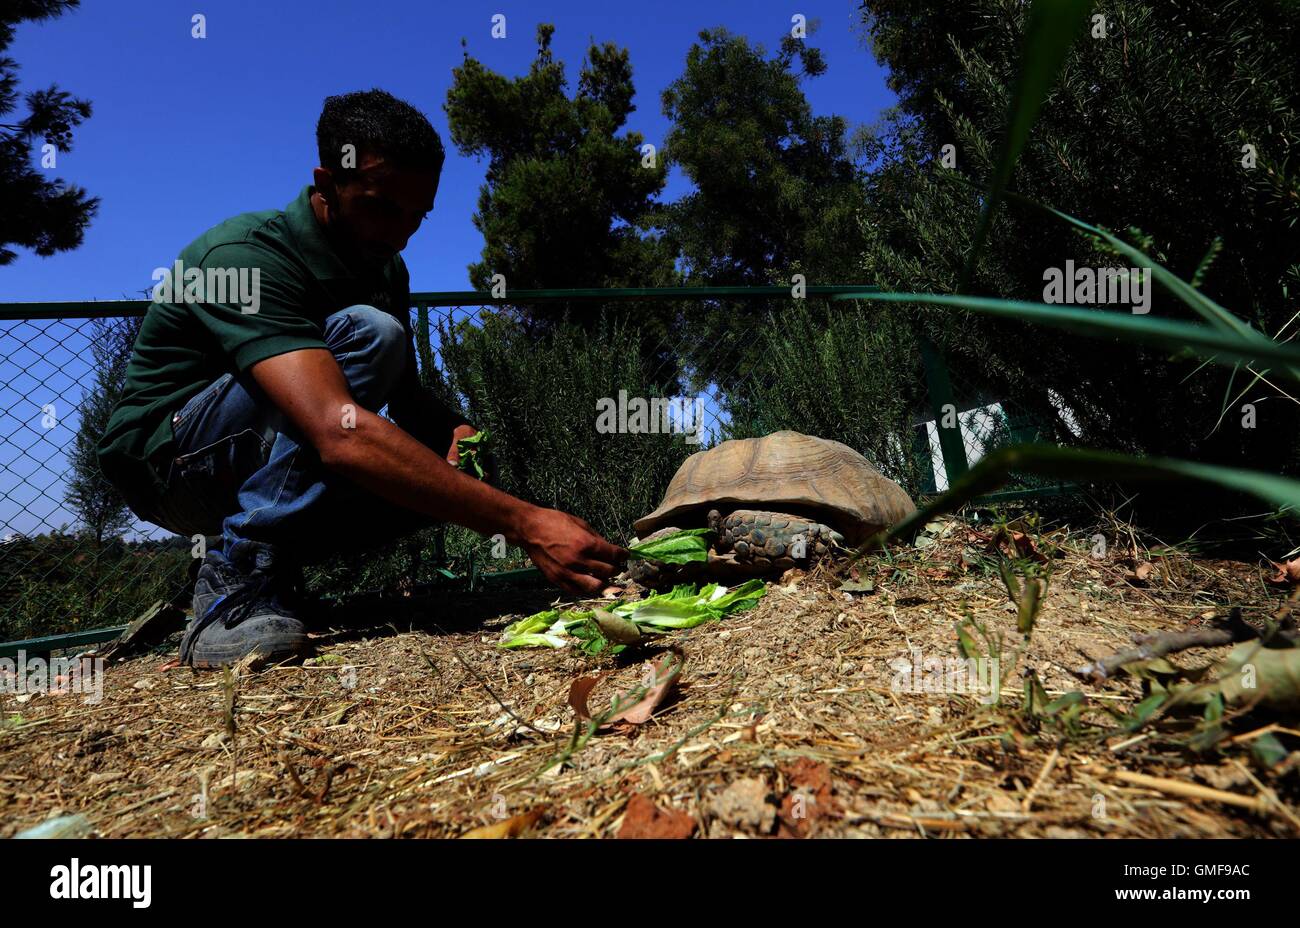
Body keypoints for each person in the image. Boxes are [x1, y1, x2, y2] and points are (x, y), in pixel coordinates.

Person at [98, 89, 625, 669]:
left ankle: (275, 572)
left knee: (435, 471)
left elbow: (402, 396)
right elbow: (335, 428)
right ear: (327, 181)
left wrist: (459, 433)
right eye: (382, 207)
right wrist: (523, 524)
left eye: (418, 215)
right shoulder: (244, 256)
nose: (401, 235)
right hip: (165, 463)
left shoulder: (385, 265)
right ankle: (234, 587)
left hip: (256, 449)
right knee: (372, 334)